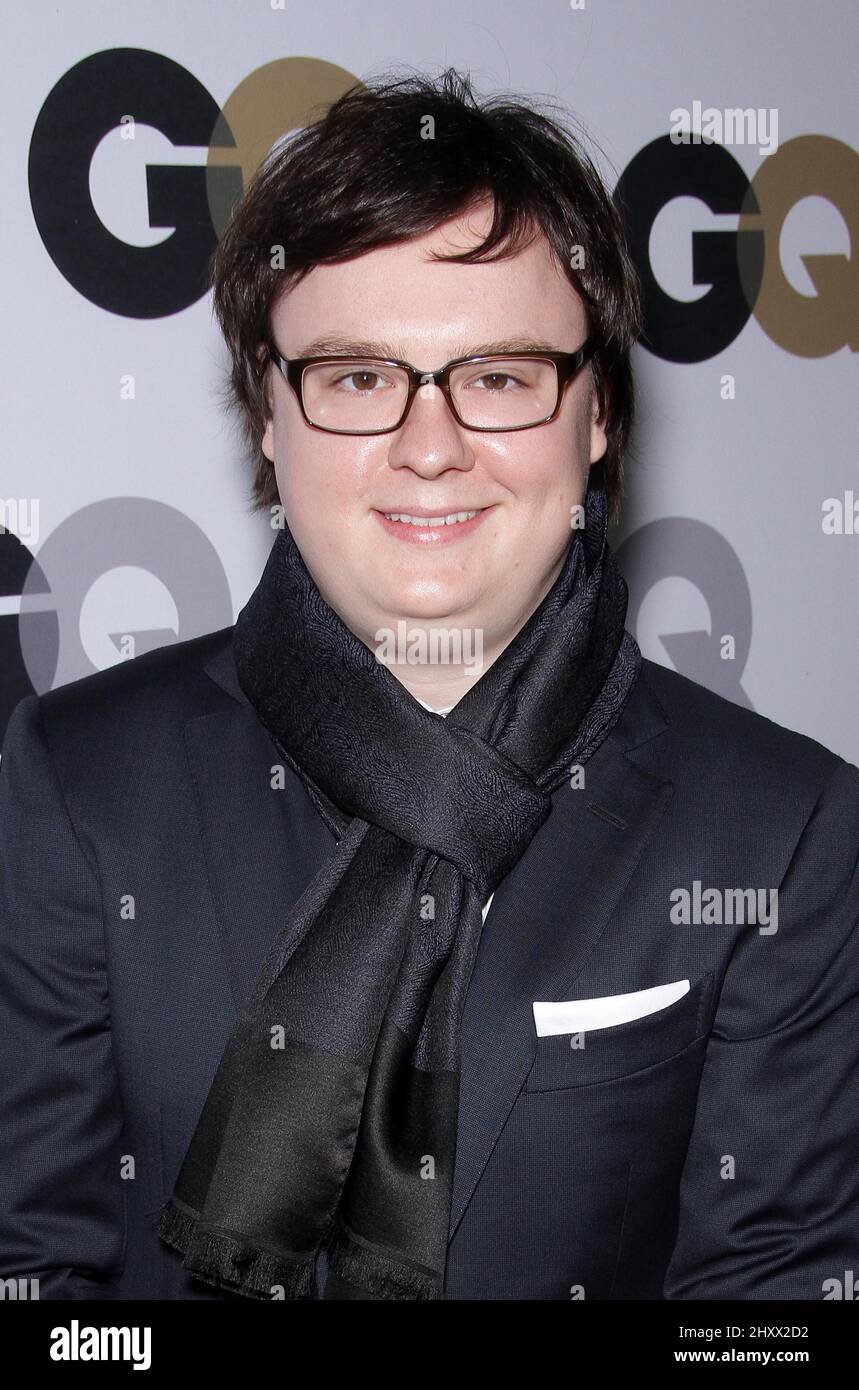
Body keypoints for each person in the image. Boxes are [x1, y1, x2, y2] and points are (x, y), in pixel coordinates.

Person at [1, 68, 857, 1302]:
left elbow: (768, 1311)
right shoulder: (80, 783)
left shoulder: (780, 829)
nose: (430, 443)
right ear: (266, 414)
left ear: (597, 410)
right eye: (356, 377)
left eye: (499, 376)